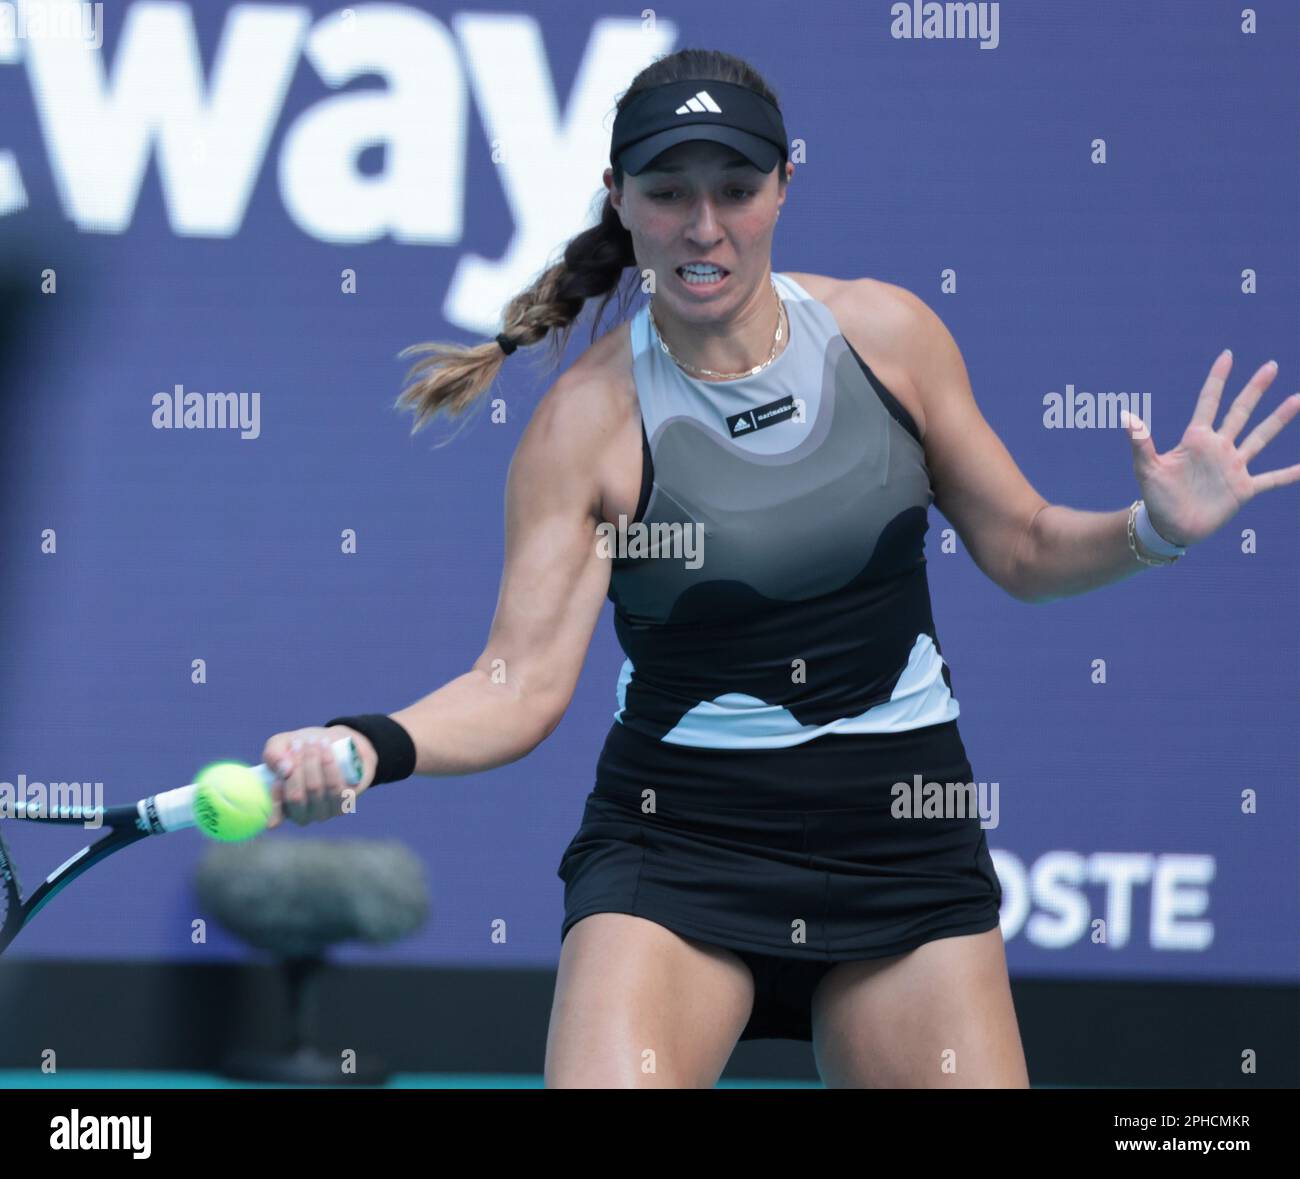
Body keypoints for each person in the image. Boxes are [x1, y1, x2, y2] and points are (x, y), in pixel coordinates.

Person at [260, 48, 1300, 1088]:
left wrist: (1151, 529)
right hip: (676, 851)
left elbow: (1024, 545)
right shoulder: (584, 426)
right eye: (668, 193)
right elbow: (518, 687)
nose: (703, 227)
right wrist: (365, 744)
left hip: (901, 842)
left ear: (783, 185)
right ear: (618, 199)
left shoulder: (888, 336)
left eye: (736, 190)